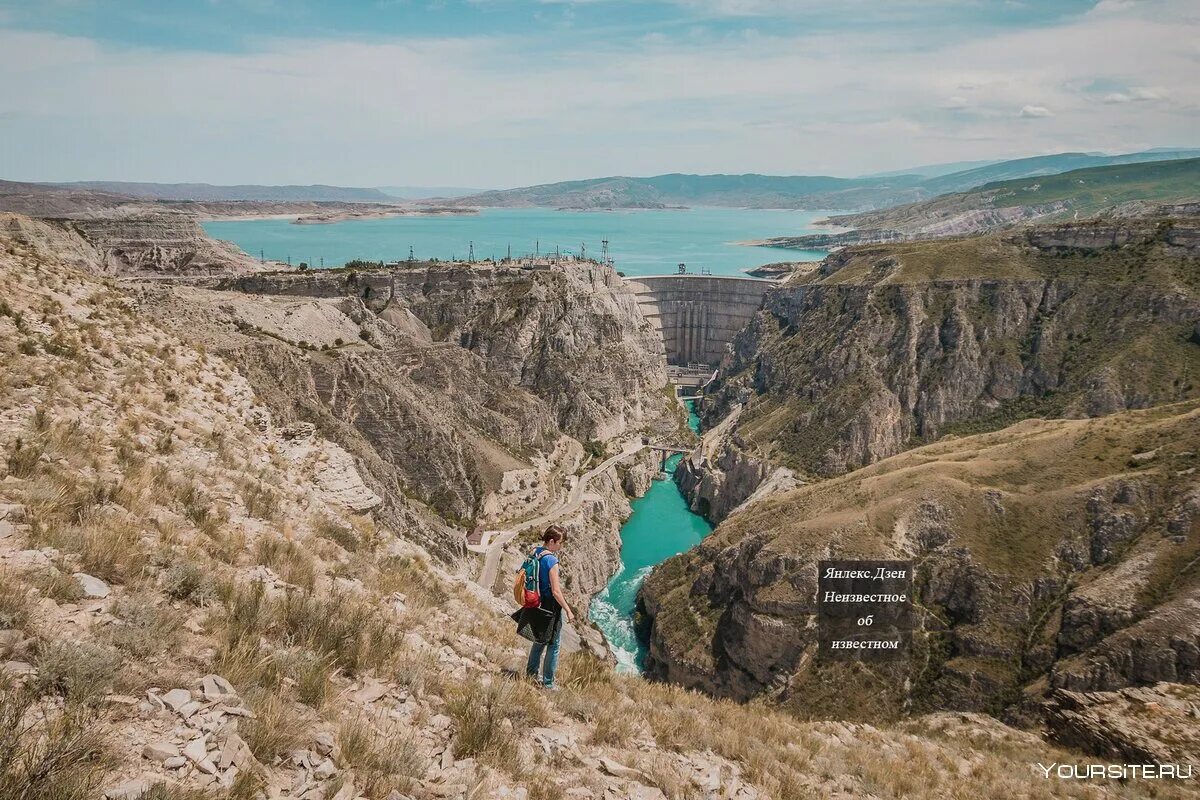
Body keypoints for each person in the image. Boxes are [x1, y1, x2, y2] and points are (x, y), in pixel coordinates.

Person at [513, 525, 574, 689]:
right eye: (560, 543)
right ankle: (548, 683)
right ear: (552, 541)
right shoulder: (552, 560)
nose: (561, 546)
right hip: (549, 607)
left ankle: (531, 675)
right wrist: (568, 610)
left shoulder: (535, 552)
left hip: (535, 603)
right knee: (553, 646)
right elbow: (556, 591)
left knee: (539, 640)